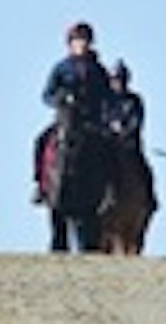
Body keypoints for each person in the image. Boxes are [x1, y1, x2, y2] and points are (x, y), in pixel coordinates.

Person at [31, 22, 112, 203]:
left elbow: (108, 97)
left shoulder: (98, 70)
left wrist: (107, 116)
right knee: (40, 141)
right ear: (70, 44)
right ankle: (41, 186)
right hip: (66, 120)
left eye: (85, 40)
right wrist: (60, 100)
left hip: (91, 121)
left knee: (111, 147)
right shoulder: (61, 68)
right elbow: (47, 95)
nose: (81, 44)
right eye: (77, 40)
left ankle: (110, 188)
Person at [105, 60, 145, 148]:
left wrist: (122, 129)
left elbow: (135, 123)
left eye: (121, 80)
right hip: (106, 142)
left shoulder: (134, 101)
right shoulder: (106, 100)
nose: (117, 83)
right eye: (114, 80)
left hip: (127, 145)